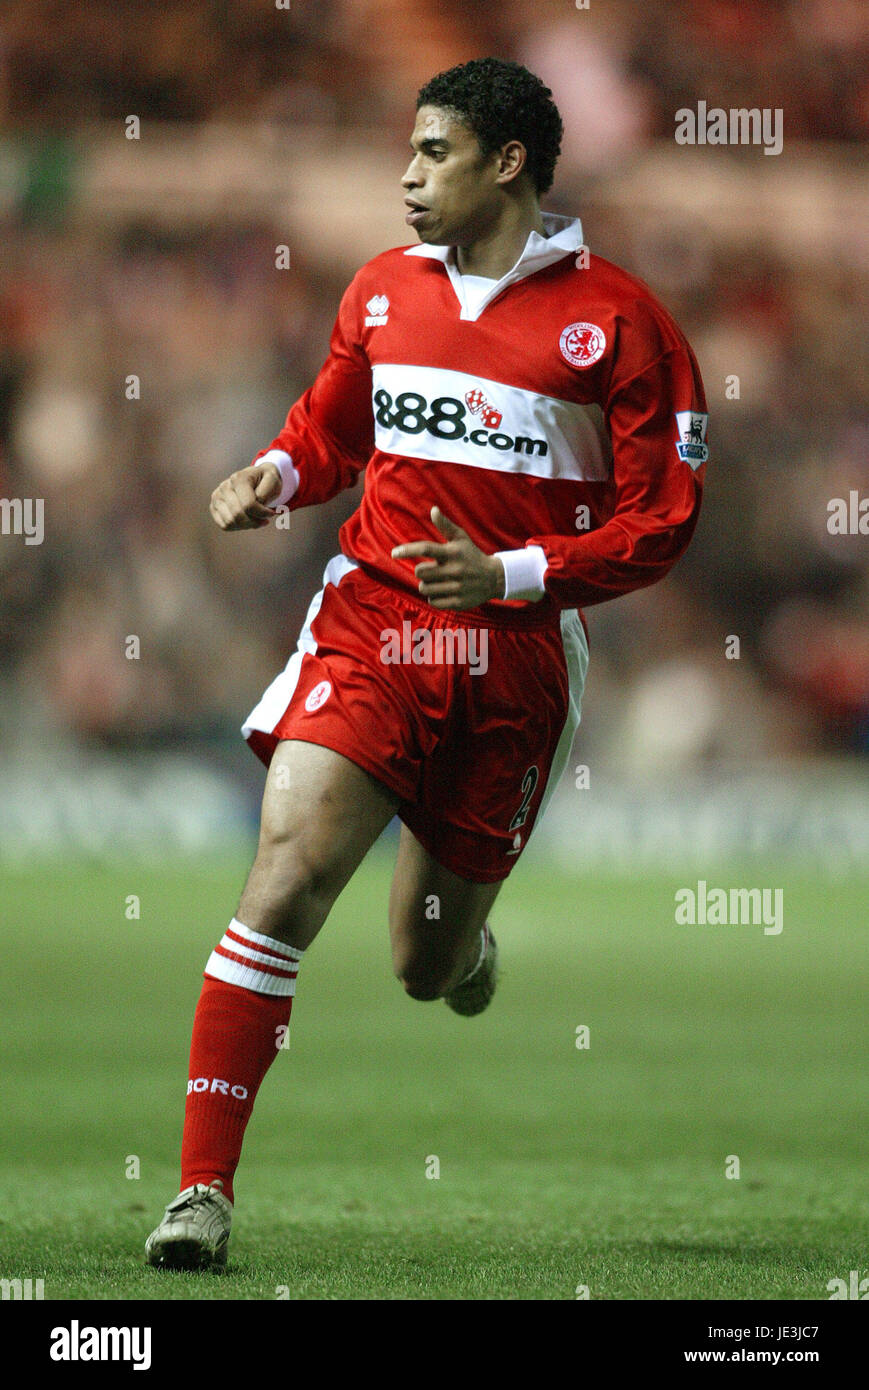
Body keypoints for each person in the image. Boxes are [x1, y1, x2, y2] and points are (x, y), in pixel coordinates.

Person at [145, 56, 707, 1270]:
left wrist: (508, 577)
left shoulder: (620, 323)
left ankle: (465, 948)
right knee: (285, 880)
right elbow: (331, 431)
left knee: (420, 963)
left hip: (513, 665)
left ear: (506, 163)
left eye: (431, 153)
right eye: (406, 154)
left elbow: (662, 520)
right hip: (375, 627)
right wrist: (274, 477)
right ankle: (200, 1194)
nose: (405, 178)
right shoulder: (381, 293)